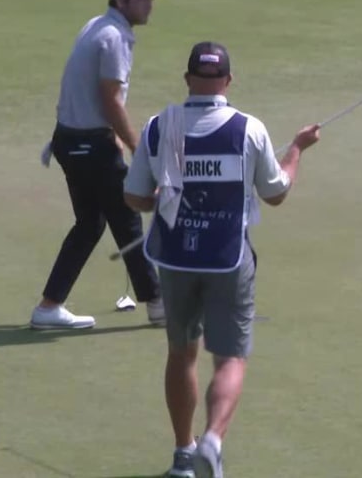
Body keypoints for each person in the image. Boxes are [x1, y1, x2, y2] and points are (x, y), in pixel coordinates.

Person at [123, 41, 321, 478]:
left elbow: (135, 197)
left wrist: (165, 194)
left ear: (188, 80)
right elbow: (276, 193)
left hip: (174, 260)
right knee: (230, 358)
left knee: (181, 353)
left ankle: (182, 454)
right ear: (227, 82)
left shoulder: (159, 126)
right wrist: (296, 150)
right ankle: (211, 441)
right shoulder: (248, 129)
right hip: (228, 260)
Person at [31, 0, 169, 330]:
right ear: (121, 1)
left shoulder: (98, 25)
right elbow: (110, 102)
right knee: (126, 221)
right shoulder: (114, 38)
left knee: (91, 223)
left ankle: (49, 307)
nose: (149, 4)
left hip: (72, 141)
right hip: (89, 145)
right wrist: (141, 153)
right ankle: (158, 305)